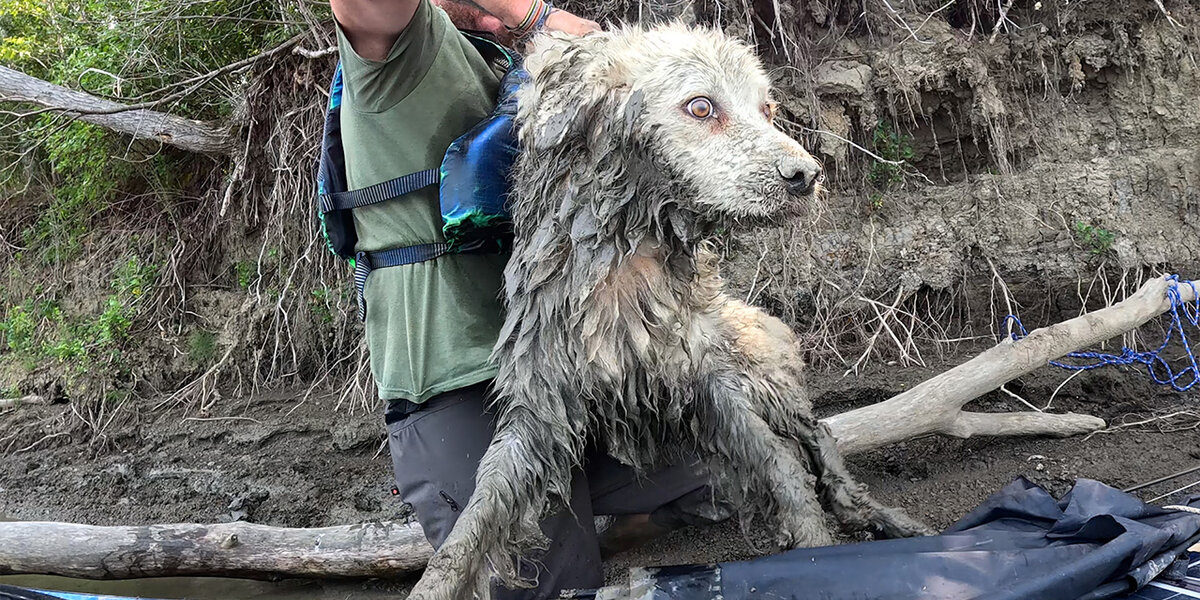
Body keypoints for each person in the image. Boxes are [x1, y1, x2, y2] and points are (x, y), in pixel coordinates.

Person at [327, 0, 728, 596]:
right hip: (465, 388)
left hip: (569, 378)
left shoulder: (510, 65)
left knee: (733, 469)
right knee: (550, 584)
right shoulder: (401, 56)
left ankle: (603, 528)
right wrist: (534, 14)